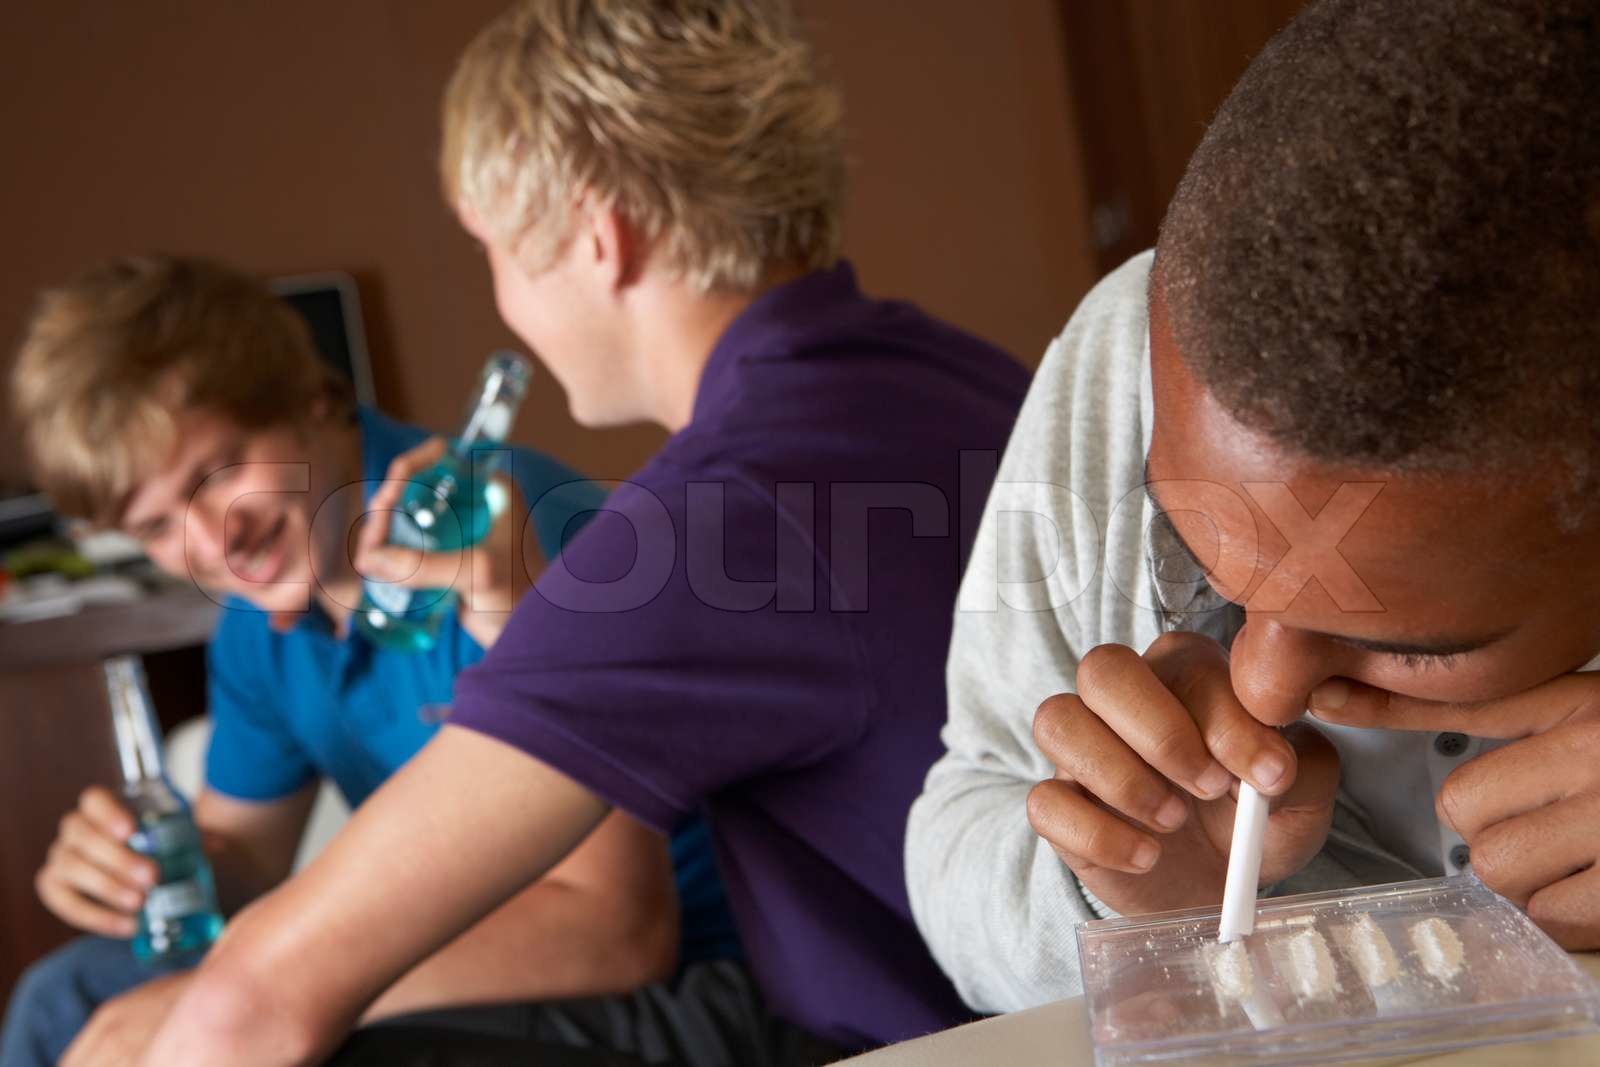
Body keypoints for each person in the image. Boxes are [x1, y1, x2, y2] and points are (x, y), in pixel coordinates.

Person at [128, 0, 1030, 1064]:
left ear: (601, 240)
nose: (504, 299)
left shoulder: (705, 523)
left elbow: (258, 1000)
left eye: (494, 252)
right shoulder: (963, 376)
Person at [905, 0, 1600, 1014]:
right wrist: (1119, 891)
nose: (1265, 693)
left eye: (1420, 642)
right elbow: (962, 819)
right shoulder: (1129, 357)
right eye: (1184, 544)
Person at [0, 254, 740, 1066]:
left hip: (686, 977)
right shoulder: (262, 619)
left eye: (218, 473)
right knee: (63, 997)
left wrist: (260, 989)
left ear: (313, 399)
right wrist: (144, 863)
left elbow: (611, 932)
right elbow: (245, 855)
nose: (211, 541)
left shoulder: (505, 533)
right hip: (499, 953)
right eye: (152, 527)